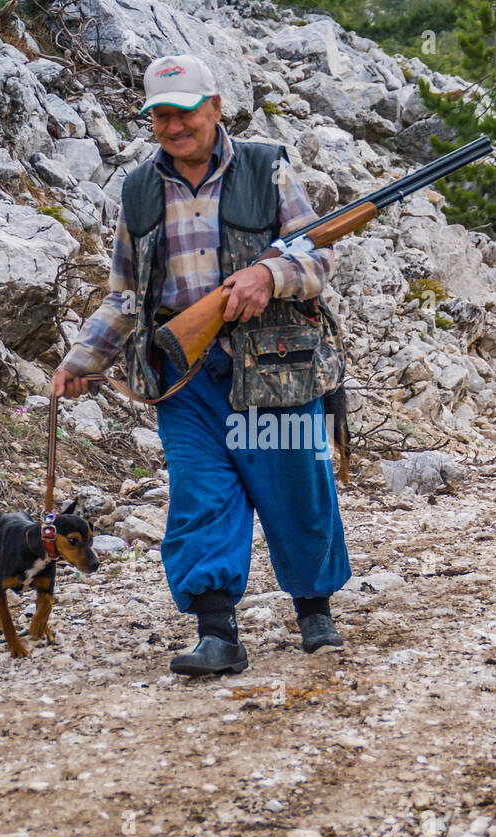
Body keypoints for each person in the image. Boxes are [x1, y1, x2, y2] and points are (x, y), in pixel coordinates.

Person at [51, 54, 351, 677]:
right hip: (184, 378)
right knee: (200, 495)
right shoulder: (137, 191)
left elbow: (318, 262)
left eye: (185, 111)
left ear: (215, 106)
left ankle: (314, 610)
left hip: (273, 369)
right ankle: (218, 632)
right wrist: (85, 357)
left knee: (296, 487)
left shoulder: (269, 169)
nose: (173, 126)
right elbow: (124, 296)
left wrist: (270, 274)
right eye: (160, 115)